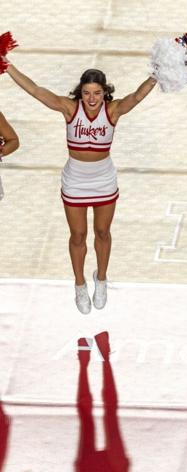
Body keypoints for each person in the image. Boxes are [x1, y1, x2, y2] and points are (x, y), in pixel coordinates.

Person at [5, 61, 154, 313]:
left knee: (103, 232)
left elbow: (137, 96)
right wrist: (6, 65)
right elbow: (35, 90)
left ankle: (102, 278)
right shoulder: (70, 108)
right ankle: (79, 284)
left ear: (105, 92)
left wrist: (159, 74)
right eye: (86, 93)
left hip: (104, 180)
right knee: (78, 235)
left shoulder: (113, 110)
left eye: (97, 93)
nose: (92, 98)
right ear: (80, 92)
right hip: (75, 180)